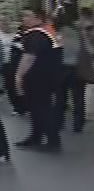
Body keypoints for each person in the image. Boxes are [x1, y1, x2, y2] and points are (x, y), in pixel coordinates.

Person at [14, 8, 63, 154]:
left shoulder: (34, 35)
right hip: (47, 76)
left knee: (40, 108)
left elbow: (29, 57)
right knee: (38, 108)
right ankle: (36, 136)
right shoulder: (47, 33)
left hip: (37, 77)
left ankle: (52, 139)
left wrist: (18, 76)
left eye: (27, 16)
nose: (24, 18)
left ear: (38, 18)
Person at [54, 7, 94, 134]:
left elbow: (56, 49)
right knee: (78, 98)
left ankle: (59, 122)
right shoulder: (81, 33)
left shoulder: (58, 33)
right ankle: (78, 125)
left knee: (60, 97)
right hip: (78, 69)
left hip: (62, 68)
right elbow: (91, 51)